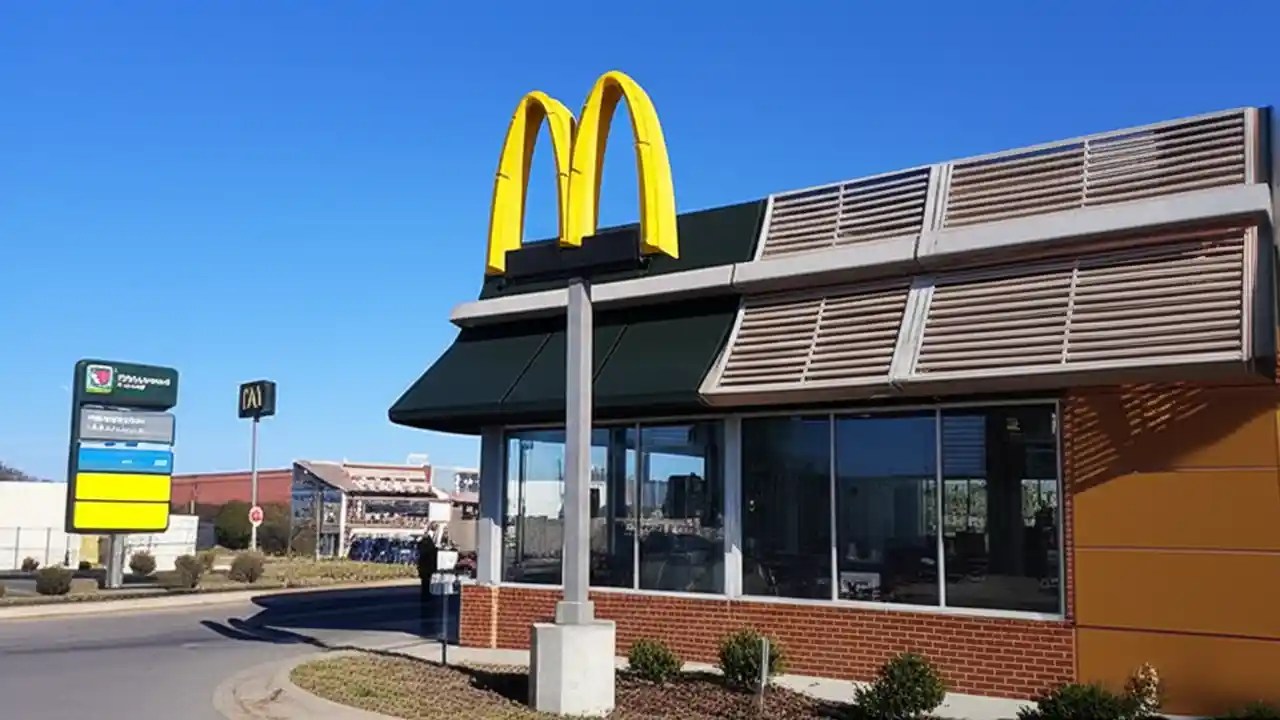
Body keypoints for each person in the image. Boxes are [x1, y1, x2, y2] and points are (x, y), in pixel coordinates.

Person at [416, 524, 439, 600]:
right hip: (427, 564)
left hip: (424, 565)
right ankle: (426, 595)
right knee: (427, 581)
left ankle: (425, 594)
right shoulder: (428, 542)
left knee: (425, 582)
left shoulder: (424, 542)